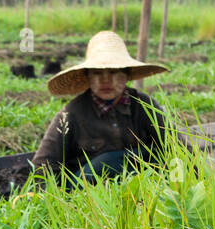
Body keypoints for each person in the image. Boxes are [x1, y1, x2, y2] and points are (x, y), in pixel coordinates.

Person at [31, 32, 172, 185]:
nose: (106, 80)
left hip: (141, 190)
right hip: (89, 196)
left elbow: (177, 149)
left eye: (113, 72)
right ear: (88, 77)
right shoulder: (71, 115)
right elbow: (42, 166)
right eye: (97, 73)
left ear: (126, 75)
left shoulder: (144, 106)